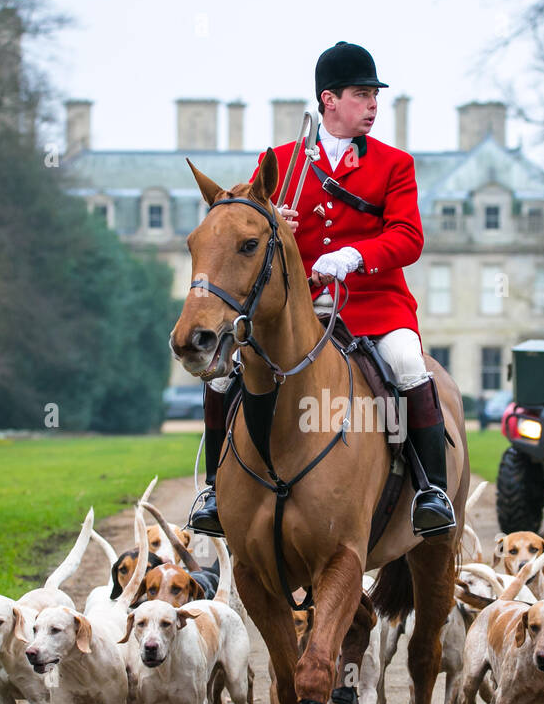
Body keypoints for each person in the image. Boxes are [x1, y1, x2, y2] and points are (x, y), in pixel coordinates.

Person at [188, 41, 454, 538]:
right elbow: (244, 224)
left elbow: (409, 236)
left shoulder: (395, 164)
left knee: (407, 362)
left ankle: (430, 490)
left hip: (374, 303)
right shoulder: (280, 161)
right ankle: (212, 492)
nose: (373, 105)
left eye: (375, 95)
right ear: (328, 100)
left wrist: (355, 256)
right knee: (223, 375)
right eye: (361, 94)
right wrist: (275, 221)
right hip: (296, 308)